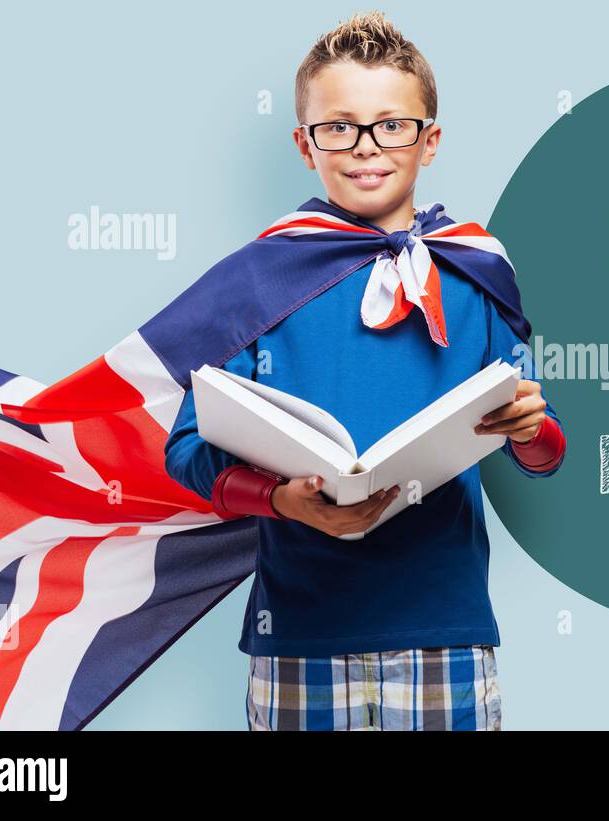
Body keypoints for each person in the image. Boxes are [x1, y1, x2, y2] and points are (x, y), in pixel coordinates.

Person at [163, 11, 565, 731]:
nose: (366, 147)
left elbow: (543, 457)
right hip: (299, 636)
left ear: (430, 140)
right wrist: (282, 500)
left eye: (392, 125)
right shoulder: (257, 281)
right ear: (305, 143)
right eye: (339, 127)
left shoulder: (476, 272)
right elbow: (186, 451)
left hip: (446, 628)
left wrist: (531, 427)